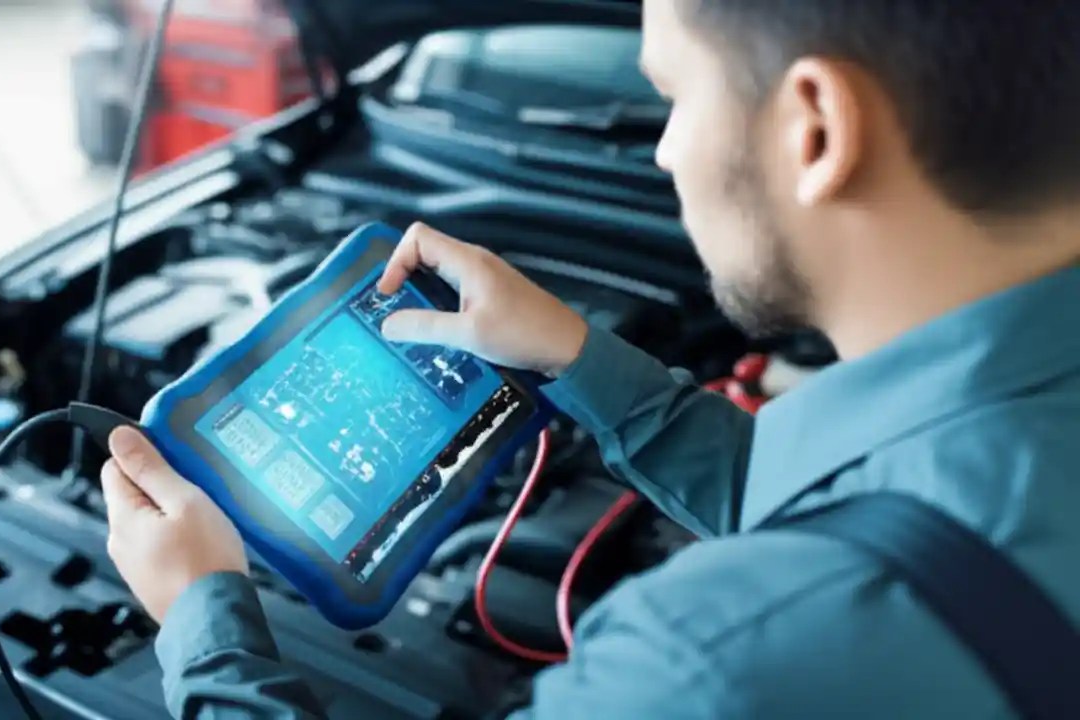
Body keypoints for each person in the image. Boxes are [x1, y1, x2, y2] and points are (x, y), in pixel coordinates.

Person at [99, 1, 1080, 717]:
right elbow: (880, 513)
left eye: (669, 96)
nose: (659, 153)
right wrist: (574, 355)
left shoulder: (709, 667)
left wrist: (201, 616)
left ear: (813, 129)